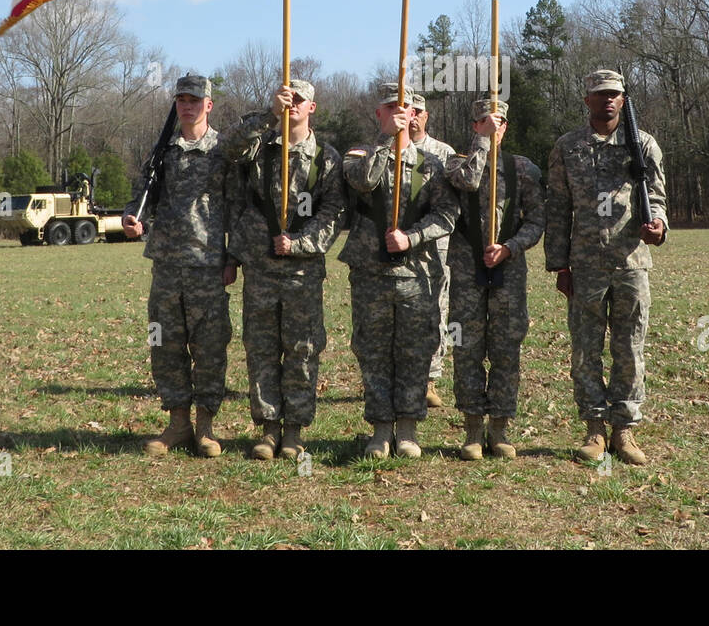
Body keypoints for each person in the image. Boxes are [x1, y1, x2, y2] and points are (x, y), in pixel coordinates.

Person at [545, 70, 668, 466]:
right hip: (584, 265)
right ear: (587, 101)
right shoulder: (568, 147)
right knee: (585, 350)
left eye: (614, 94)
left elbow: (658, 195)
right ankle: (594, 428)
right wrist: (559, 265)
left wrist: (659, 225)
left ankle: (624, 429)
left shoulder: (642, 144)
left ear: (623, 99)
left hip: (630, 261)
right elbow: (558, 207)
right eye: (600, 95)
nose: (608, 101)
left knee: (629, 348)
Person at [225, 80, 344, 460]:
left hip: (302, 271)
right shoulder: (260, 147)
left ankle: (294, 430)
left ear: (313, 108)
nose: (292, 105)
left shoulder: (326, 157)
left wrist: (300, 244)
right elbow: (230, 149)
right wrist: (267, 116)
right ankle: (269, 428)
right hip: (259, 265)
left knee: (302, 349)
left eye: (299, 100)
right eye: (287, 99)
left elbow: (332, 214)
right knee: (260, 348)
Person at [340, 83, 458, 458]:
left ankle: (407, 429)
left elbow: (447, 215)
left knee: (414, 352)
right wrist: (385, 142)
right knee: (373, 352)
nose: (398, 113)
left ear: (415, 114)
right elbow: (363, 181)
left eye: (404, 107)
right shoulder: (359, 155)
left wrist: (412, 237)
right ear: (379, 114)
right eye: (390, 108)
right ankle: (380, 430)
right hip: (371, 272)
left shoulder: (432, 165)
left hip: (417, 273)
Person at [123, 75, 237, 458]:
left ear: (209, 104)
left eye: (195, 100)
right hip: (166, 266)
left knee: (210, 347)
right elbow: (142, 196)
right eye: (181, 99)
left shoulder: (223, 151)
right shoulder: (162, 152)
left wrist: (232, 257)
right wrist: (132, 219)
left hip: (207, 264)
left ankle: (205, 426)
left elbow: (237, 208)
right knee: (163, 343)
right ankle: (177, 423)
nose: (187, 106)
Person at [445, 99, 545, 459]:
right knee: (467, 348)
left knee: (506, 349)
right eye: (486, 122)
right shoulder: (456, 164)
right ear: (475, 127)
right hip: (466, 270)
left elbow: (537, 221)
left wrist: (510, 247)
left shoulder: (524, 170)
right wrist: (483, 144)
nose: (495, 127)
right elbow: (469, 181)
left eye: (500, 122)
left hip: (509, 271)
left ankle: (500, 426)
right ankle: (472, 427)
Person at [408, 92, 456, 408]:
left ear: (426, 117)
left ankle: (429, 379)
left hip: (436, 248)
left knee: (436, 312)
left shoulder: (444, 153)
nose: (412, 116)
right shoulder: (384, 150)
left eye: (418, 112)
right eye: (406, 110)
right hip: (396, 248)